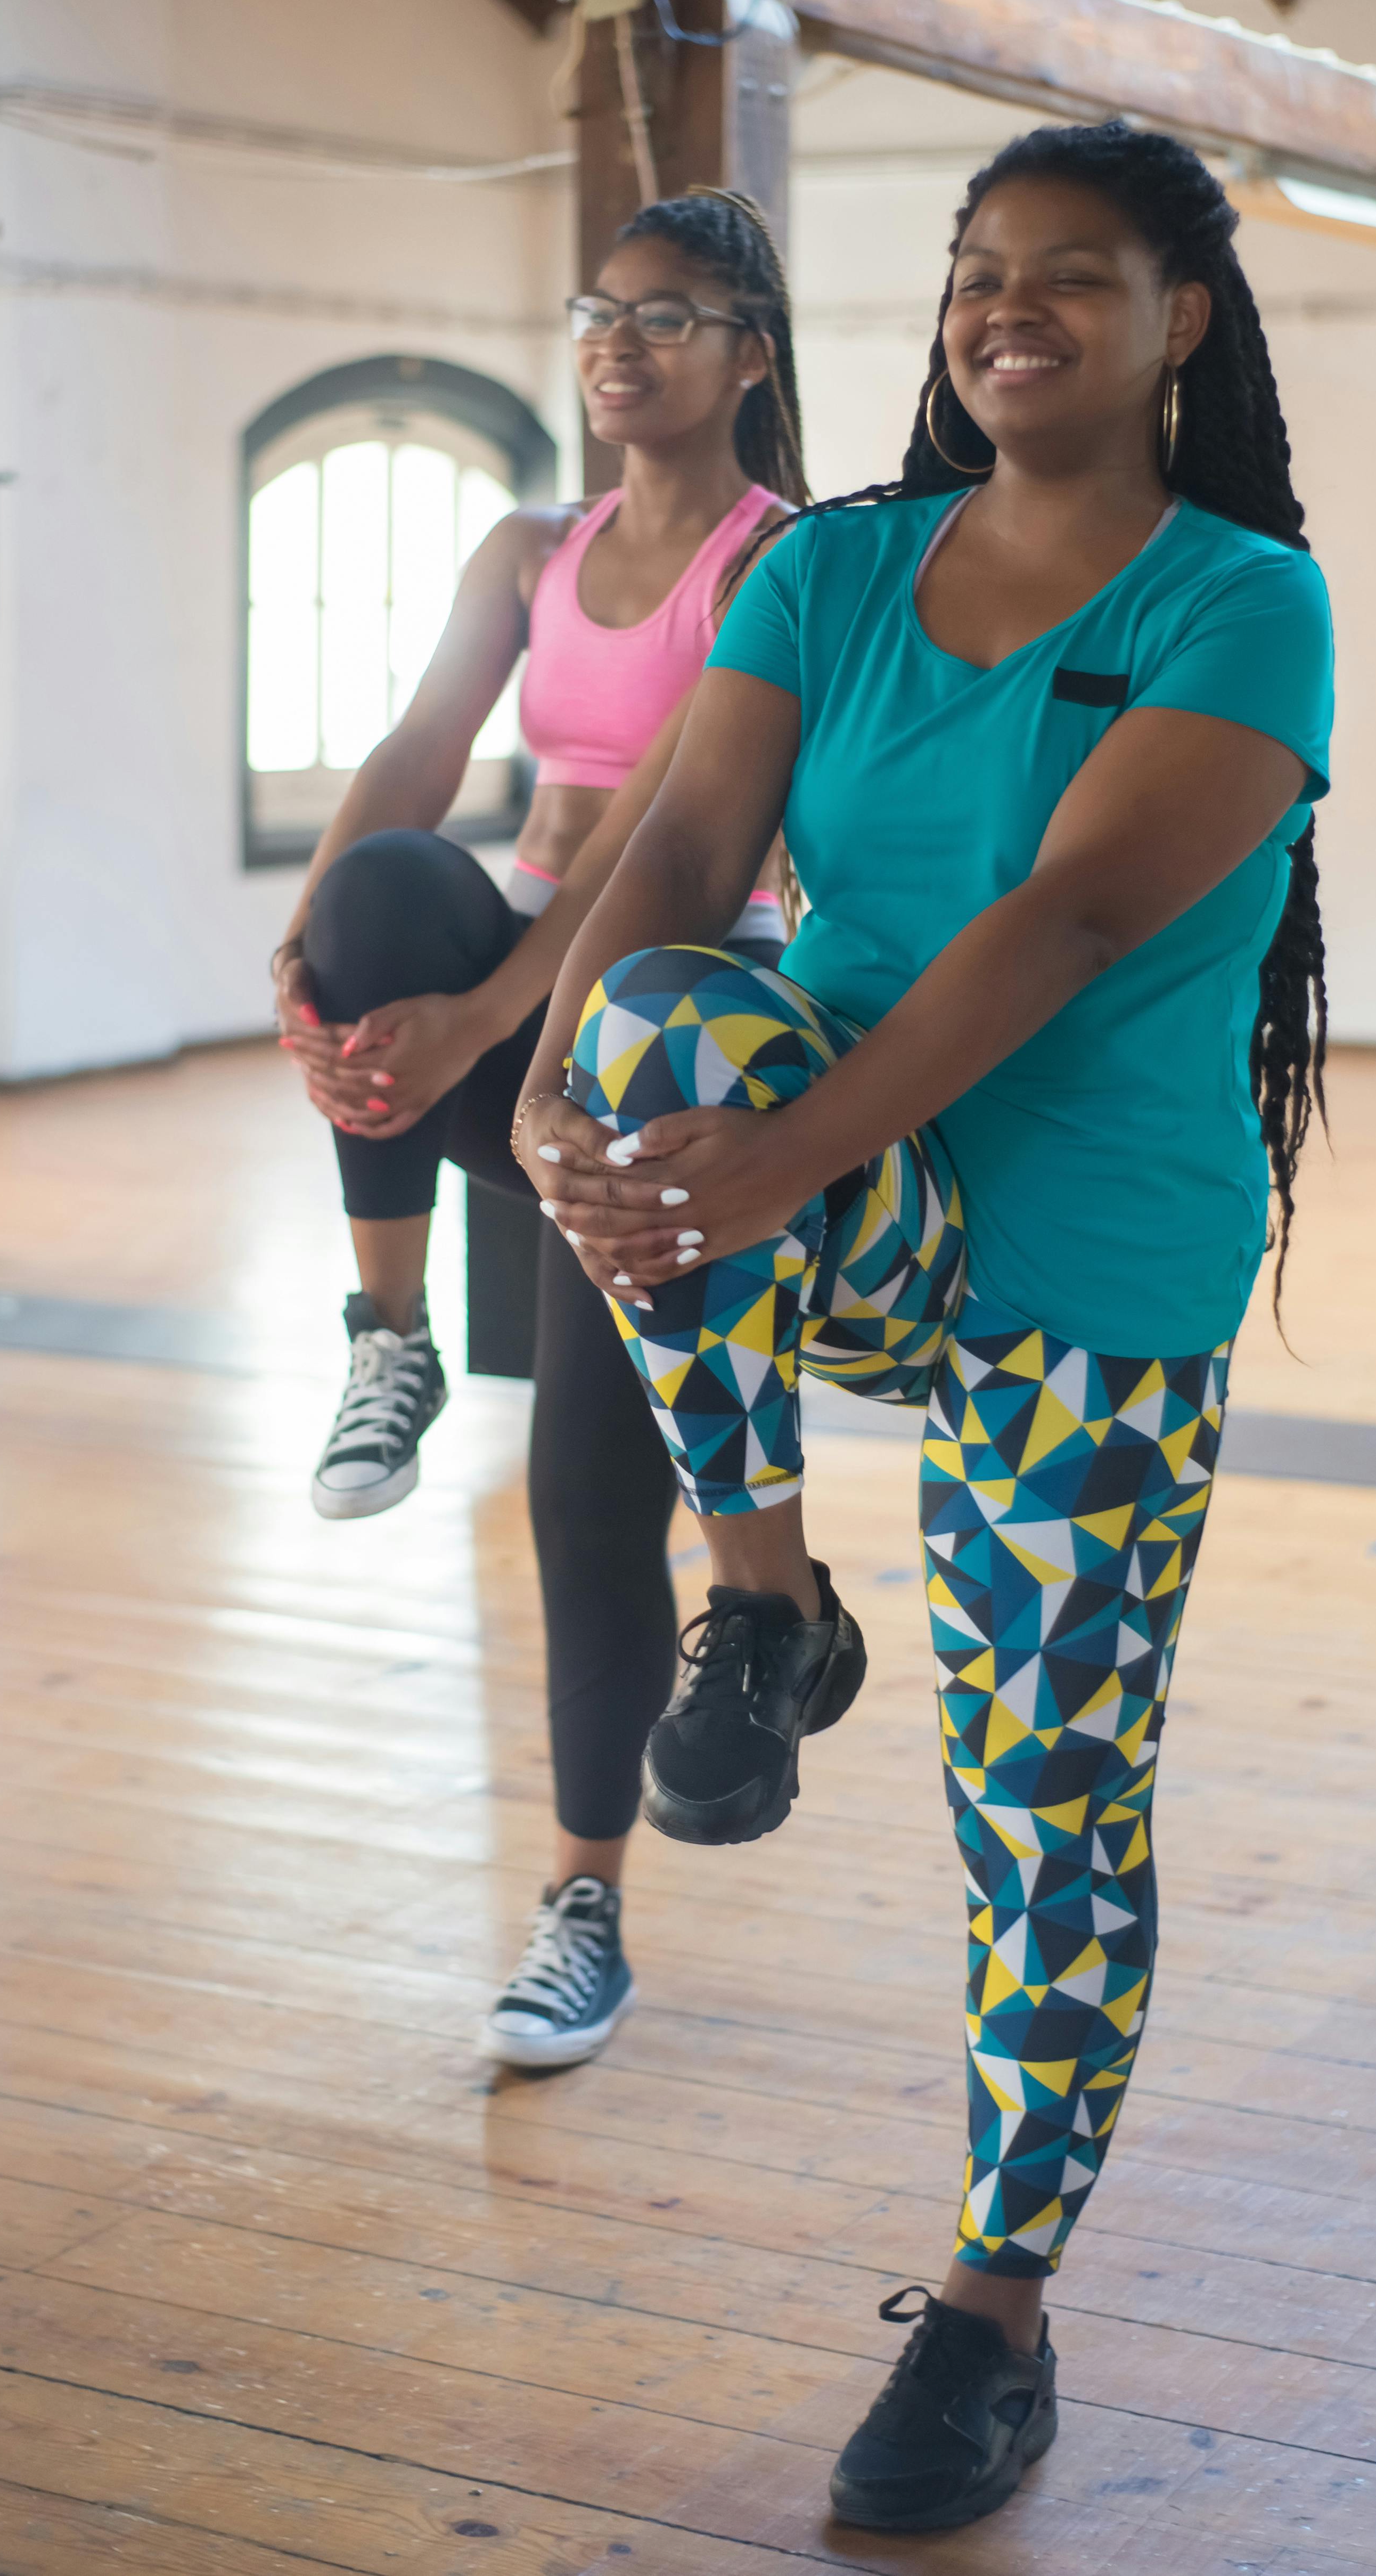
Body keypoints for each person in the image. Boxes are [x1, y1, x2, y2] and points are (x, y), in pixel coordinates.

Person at [513, 124, 1332, 2534]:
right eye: (979, 275)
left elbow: (1071, 917)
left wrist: (765, 1156)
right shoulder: (840, 570)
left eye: (1071, 278)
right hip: (845, 1202)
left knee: (1043, 1795)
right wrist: (570, 1090)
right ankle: (758, 1589)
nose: (1007, 312)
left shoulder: (1241, 601)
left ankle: (989, 2303)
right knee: (660, 1018)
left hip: (1082, 1267)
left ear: (1184, 321)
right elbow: (671, 852)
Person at [268, 188, 806, 2071]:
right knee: (391, 879)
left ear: (751, 352)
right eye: (601, 309)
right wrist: (312, 952)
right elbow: (421, 750)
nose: (619, 340)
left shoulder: (774, 561)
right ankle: (388, 1338)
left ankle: (583, 1903)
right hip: (512, 1015)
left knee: (589, 1504)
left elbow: (673, 836)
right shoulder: (523, 547)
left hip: (665, 1047)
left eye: (669, 316)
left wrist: (475, 1028)